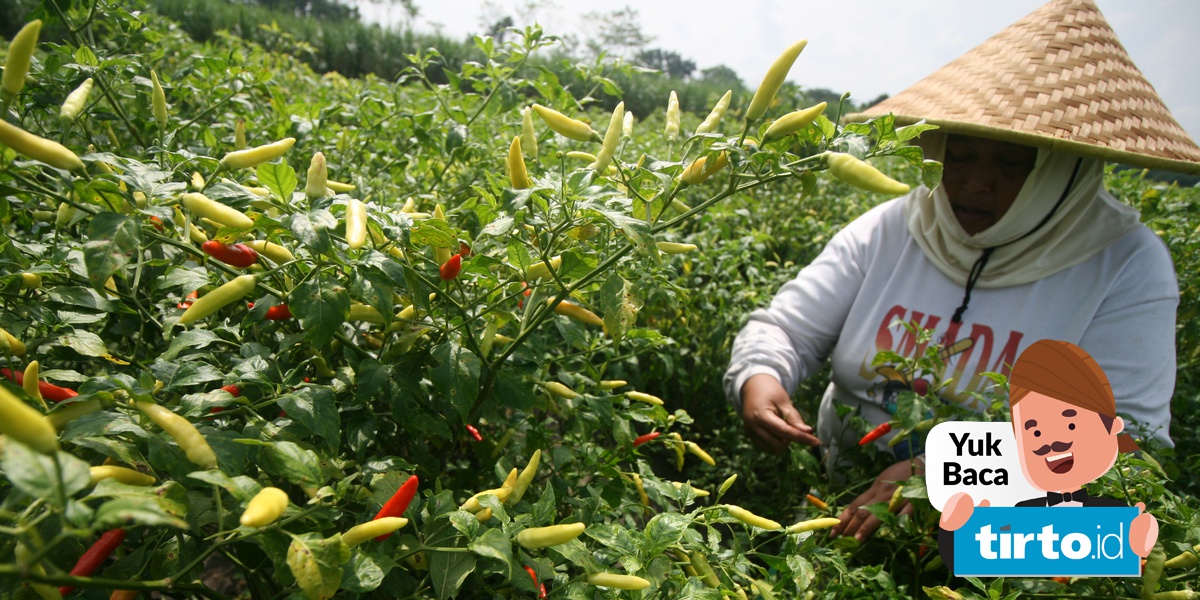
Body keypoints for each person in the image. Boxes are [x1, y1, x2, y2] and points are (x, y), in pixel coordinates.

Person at [724, 0, 1200, 543]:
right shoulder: (899, 225)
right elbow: (785, 327)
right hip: (836, 505)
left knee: (1101, 542)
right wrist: (760, 378)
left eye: (1012, 162)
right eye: (961, 155)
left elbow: (1123, 445)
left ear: (1064, 168)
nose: (975, 184)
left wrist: (946, 472)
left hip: (999, 533)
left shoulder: (1124, 264)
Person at [937, 339, 1158, 572]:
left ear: (1113, 427)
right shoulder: (1022, 510)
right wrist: (956, 531)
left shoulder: (1112, 513)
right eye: (1035, 431)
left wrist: (1136, 542)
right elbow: (974, 553)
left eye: (1071, 425)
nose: (1051, 443)